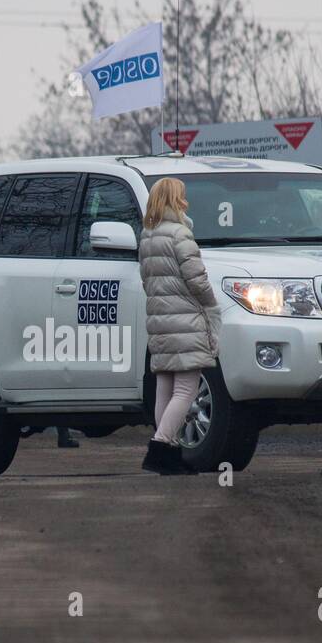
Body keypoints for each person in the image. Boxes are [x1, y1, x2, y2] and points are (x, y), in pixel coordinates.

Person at [138, 176, 218, 475]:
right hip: (186, 319)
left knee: (165, 389)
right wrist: (210, 303)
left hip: (159, 321)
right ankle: (159, 448)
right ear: (176, 200)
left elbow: (145, 279)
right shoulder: (181, 234)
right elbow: (197, 279)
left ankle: (169, 453)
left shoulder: (147, 235)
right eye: (182, 196)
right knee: (186, 390)